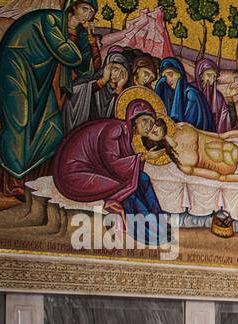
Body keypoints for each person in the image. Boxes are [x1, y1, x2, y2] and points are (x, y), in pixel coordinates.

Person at [0, 0, 99, 194]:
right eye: (84, 9)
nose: (87, 15)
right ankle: (13, 180)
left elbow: (87, 68)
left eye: (91, 12)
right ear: (73, 6)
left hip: (40, 77)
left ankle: (33, 178)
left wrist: (90, 40)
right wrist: (81, 37)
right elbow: (70, 56)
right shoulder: (50, 21)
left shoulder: (77, 33)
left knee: (51, 126)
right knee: (20, 120)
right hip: (16, 65)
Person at [51, 100, 167, 245]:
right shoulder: (115, 129)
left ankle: (160, 221)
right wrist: (143, 157)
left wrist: (141, 158)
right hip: (75, 174)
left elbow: (129, 168)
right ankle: (148, 231)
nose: (148, 126)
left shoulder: (126, 134)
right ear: (133, 118)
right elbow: (112, 163)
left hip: (93, 170)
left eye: (151, 123)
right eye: (144, 121)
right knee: (127, 188)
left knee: (142, 178)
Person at [154, 57, 213, 131]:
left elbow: (188, 125)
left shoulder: (191, 94)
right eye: (165, 76)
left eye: (171, 74)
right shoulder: (169, 95)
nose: (168, 79)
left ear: (180, 74)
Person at [195, 57, 234, 133]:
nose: (212, 80)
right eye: (209, 75)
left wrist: (230, 98)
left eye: (214, 76)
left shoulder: (218, 97)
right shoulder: (191, 91)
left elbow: (230, 122)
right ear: (200, 75)